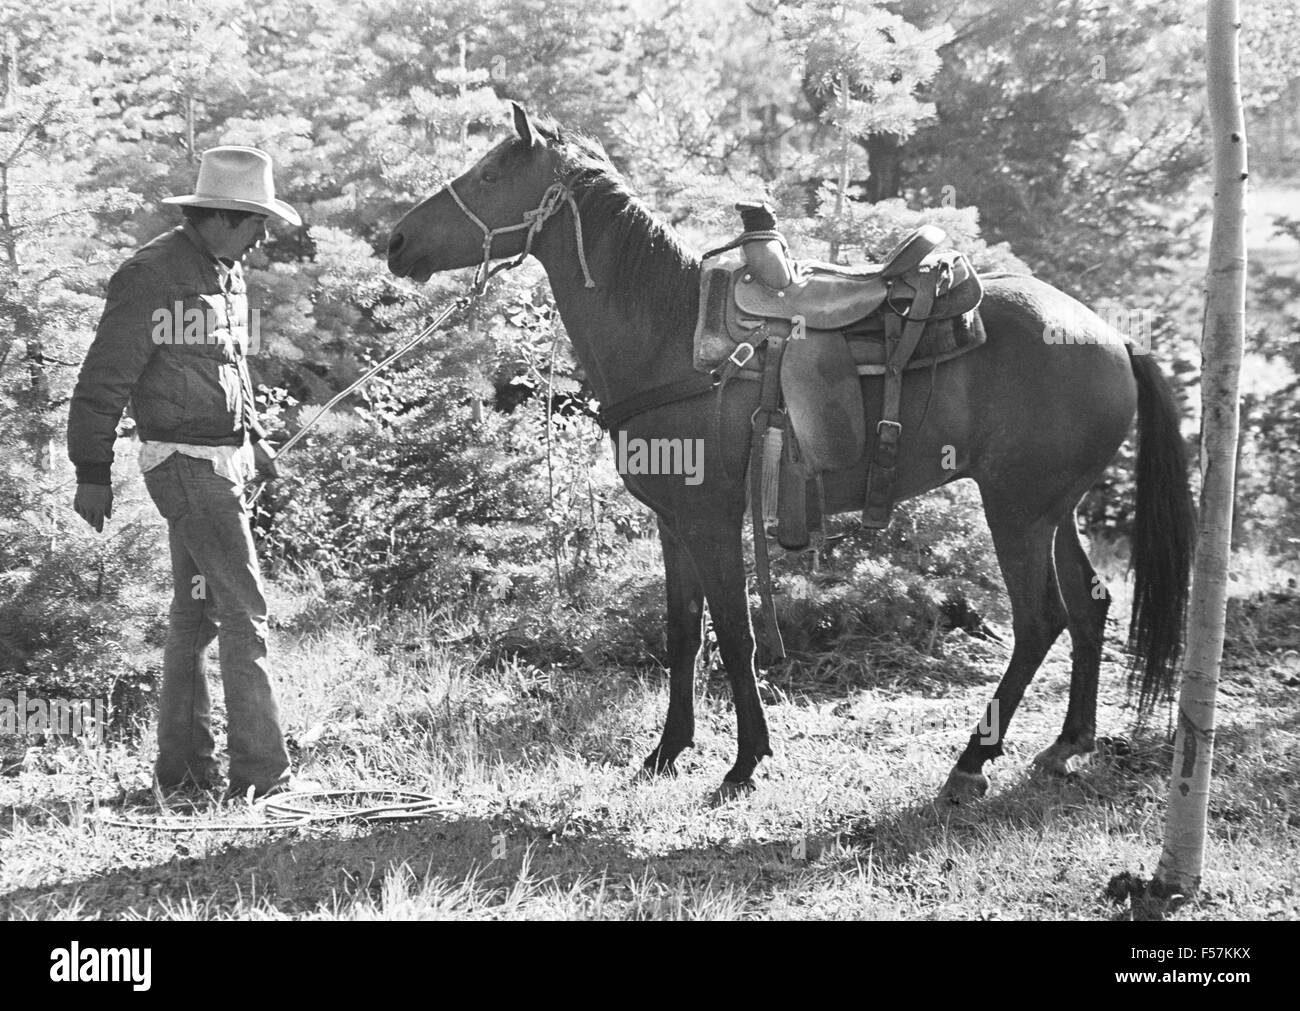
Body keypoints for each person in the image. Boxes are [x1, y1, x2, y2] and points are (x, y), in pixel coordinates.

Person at [67, 146, 313, 801]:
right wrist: (91, 467)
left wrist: (255, 437)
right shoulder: (151, 274)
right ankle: (263, 773)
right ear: (226, 215)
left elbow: (232, 365)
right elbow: (104, 375)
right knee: (246, 610)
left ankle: (183, 770)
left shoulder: (222, 268)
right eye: (255, 221)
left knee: (195, 615)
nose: (262, 236)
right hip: (184, 467)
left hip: (216, 459)